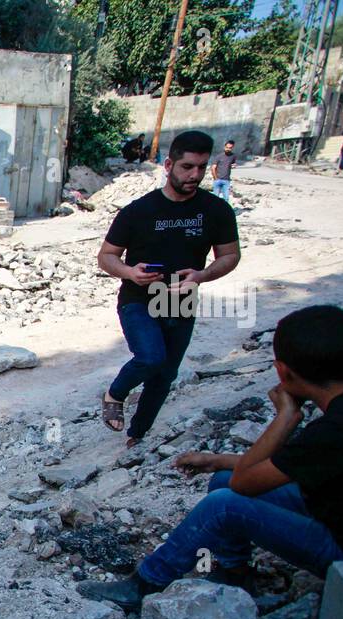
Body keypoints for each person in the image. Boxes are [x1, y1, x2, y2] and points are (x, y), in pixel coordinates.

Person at [79, 305, 343, 611]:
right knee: (221, 479)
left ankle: (145, 584)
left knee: (224, 503)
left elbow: (245, 484)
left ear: (282, 372)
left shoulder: (332, 431)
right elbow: (293, 464)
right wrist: (219, 460)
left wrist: (286, 417)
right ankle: (236, 571)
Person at [97, 130, 241, 446]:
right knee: (150, 358)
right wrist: (130, 272)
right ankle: (114, 394)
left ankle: (137, 435)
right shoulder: (138, 211)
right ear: (168, 164)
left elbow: (230, 256)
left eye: (201, 168)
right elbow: (106, 257)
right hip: (137, 298)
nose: (195, 175)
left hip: (180, 301)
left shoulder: (216, 211)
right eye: (187, 167)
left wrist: (201, 276)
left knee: (164, 377)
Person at [211, 139, 237, 204]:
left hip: (226, 180)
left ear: (232, 148)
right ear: (224, 147)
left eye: (230, 148)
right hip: (218, 179)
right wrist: (215, 178)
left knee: (226, 198)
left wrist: (233, 166)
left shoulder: (233, 156)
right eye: (227, 147)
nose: (228, 149)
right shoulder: (219, 156)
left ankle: (225, 212)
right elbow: (213, 168)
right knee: (215, 198)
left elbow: (232, 165)